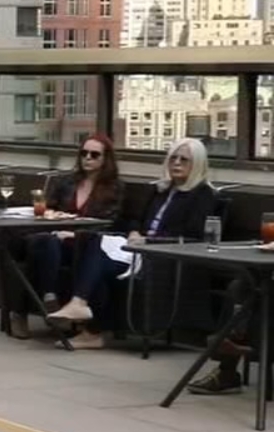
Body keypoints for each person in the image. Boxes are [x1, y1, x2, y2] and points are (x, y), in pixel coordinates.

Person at [45, 138, 216, 349]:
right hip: (136, 249)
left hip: (163, 257)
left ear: (197, 164)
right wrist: (135, 231)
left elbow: (193, 235)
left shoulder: (203, 195)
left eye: (184, 160)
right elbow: (138, 219)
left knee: (96, 257)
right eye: (173, 158)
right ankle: (90, 327)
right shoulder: (161, 189)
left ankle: (84, 314)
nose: (176, 164)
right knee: (92, 246)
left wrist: (149, 240)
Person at [7, 133, 121, 339]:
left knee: (41, 247)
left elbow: (109, 224)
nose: (87, 158)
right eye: (84, 153)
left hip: (82, 244)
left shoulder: (115, 189)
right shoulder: (66, 182)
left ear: (106, 160)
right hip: (54, 238)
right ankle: (50, 300)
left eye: (94, 155)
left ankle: (25, 310)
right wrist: (50, 218)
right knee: (44, 243)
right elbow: (47, 209)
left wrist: (73, 233)